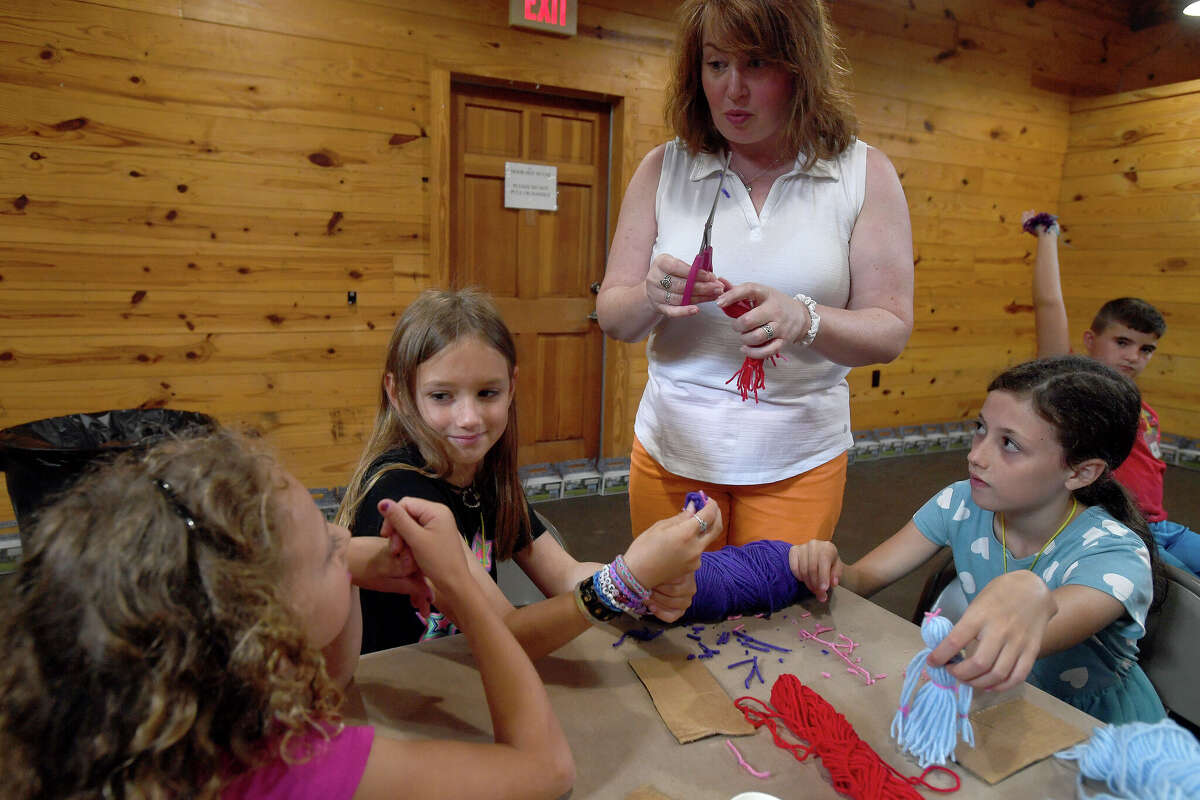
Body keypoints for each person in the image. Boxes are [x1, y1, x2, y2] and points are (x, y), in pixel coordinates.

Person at [0, 428, 576, 799]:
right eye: (328, 548)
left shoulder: (138, 727)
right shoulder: (297, 771)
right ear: (266, 628)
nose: (341, 531)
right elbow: (545, 769)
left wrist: (343, 563)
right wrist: (460, 585)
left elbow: (335, 677)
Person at [597, 0, 914, 549]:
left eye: (757, 66)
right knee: (672, 613)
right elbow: (613, 318)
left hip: (798, 457)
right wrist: (651, 294)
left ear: (800, 68)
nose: (733, 90)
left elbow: (889, 330)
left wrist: (805, 318)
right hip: (673, 449)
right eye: (717, 65)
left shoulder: (863, 173)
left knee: (773, 623)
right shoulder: (663, 168)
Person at [338, 287, 723, 654]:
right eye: (442, 396)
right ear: (398, 393)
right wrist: (624, 580)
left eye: (488, 393)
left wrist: (647, 584)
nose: (469, 418)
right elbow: (504, 635)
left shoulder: (484, 474)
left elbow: (565, 576)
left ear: (512, 385)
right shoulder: (400, 493)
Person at [786, 356, 1166, 724]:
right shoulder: (961, 502)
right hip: (1003, 708)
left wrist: (1033, 592)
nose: (976, 455)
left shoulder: (1115, 554)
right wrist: (828, 567)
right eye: (981, 428)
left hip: (1094, 729)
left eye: (1010, 444)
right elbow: (861, 580)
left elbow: (1015, 640)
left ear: (1081, 472)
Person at [1024, 209, 1200, 577]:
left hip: (1161, 526)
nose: (1133, 357)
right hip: (1121, 530)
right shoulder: (1074, 387)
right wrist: (1047, 236)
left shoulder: (1144, 409)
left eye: (1145, 349)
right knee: (1188, 598)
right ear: (1090, 340)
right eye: (1122, 342)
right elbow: (1048, 304)